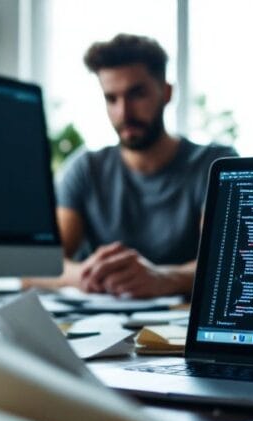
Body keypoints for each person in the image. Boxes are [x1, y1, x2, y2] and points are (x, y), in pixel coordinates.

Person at [36, 34, 237, 298]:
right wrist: (85, 274)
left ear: (166, 93)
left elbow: (228, 264)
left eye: (137, 94)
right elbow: (37, 267)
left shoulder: (214, 165)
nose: (124, 113)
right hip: (102, 327)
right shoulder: (85, 168)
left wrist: (162, 278)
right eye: (111, 99)